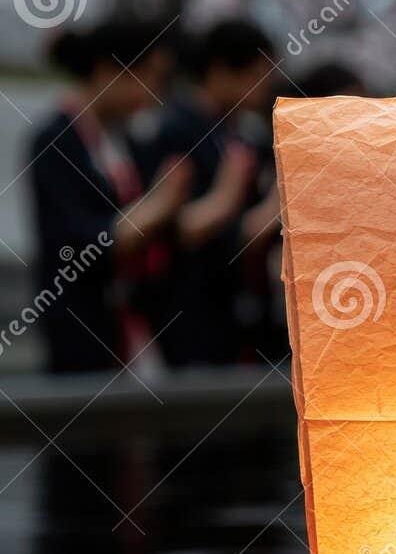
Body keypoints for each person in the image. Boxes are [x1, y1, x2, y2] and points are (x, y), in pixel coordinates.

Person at [25, 20, 192, 374]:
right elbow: (77, 242)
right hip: (82, 332)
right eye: (148, 76)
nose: (153, 93)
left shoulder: (123, 141)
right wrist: (158, 206)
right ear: (108, 71)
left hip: (133, 327)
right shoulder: (56, 140)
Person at [133, 19, 280, 366]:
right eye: (256, 75)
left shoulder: (237, 133)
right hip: (187, 308)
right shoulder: (175, 130)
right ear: (220, 70)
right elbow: (176, 229)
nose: (263, 88)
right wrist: (233, 203)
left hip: (236, 306)